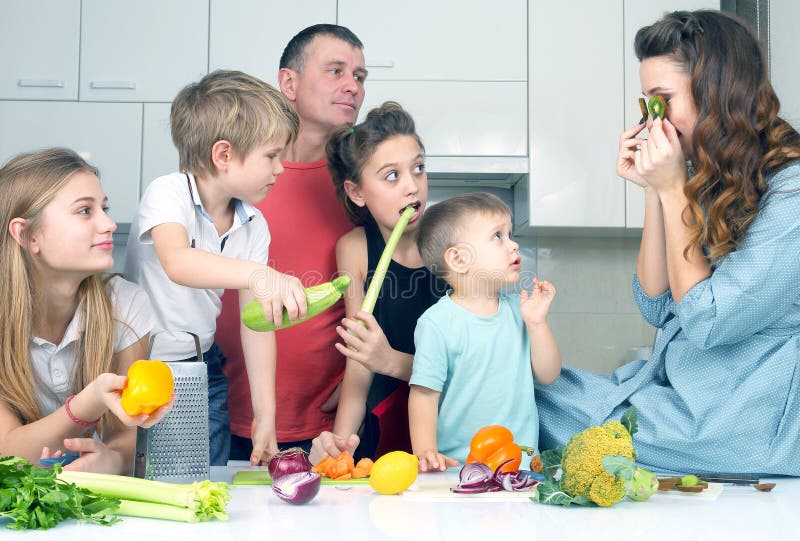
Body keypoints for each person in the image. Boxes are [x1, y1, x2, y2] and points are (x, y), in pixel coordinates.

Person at [536, 10, 800, 475]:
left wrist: (674, 187)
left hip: (738, 423)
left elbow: (707, 320)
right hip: (679, 394)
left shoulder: (791, 191)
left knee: (546, 413)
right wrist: (655, 190)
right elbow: (657, 306)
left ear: (716, 92)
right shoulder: (707, 172)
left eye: (662, 101)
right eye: (646, 103)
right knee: (531, 390)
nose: (652, 118)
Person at [125, 70, 305, 466]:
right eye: (272, 156)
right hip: (136, 367)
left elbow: (256, 325)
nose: (280, 169)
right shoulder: (169, 192)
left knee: (204, 480)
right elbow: (177, 261)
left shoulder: (254, 224)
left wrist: (265, 415)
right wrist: (260, 275)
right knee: (138, 472)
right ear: (223, 155)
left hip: (201, 368)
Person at [214, 24, 367, 460]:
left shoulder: (361, 184)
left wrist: (359, 376)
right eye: (335, 70)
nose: (351, 86)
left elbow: (395, 277)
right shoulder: (237, 171)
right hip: (223, 408)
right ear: (289, 83)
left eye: (359, 76)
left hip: (325, 425)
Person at [0, 148, 172, 474]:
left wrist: (112, 461)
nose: (108, 224)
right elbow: (7, 455)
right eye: (84, 211)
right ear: (27, 234)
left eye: (104, 208)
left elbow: (125, 435)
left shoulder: (125, 305)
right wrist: (87, 403)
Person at [310, 101, 446, 462]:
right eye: (392, 176)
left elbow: (471, 370)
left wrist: (390, 361)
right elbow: (360, 360)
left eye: (418, 168)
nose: (412, 187)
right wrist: (339, 446)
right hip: (382, 429)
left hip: (446, 434)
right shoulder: (354, 249)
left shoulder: (452, 243)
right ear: (357, 193)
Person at [409, 192, 562, 471]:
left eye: (510, 234)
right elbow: (424, 395)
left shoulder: (521, 310)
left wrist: (538, 324)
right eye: (498, 236)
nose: (514, 245)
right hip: (459, 470)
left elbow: (549, 375)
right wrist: (426, 452)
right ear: (458, 259)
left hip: (524, 467)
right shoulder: (437, 323)